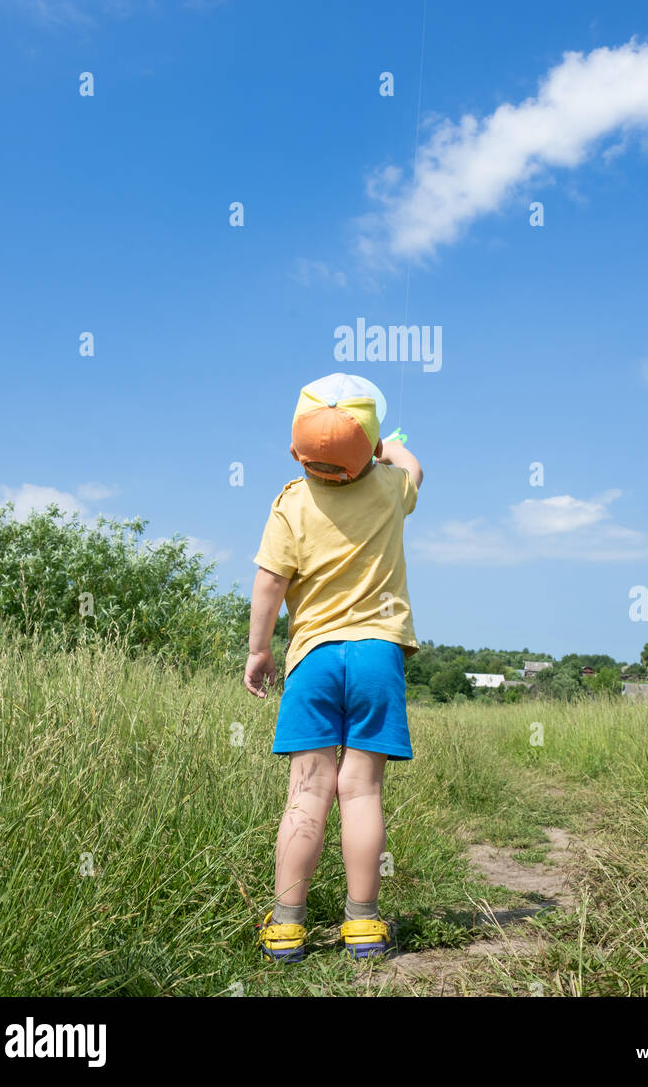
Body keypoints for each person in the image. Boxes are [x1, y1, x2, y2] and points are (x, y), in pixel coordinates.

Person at [245, 374, 423, 962]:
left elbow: (271, 581)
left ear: (296, 449)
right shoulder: (392, 485)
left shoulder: (289, 502)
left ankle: (288, 926)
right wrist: (391, 443)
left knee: (308, 790)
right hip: (377, 654)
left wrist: (260, 650)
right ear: (370, 447)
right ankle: (364, 926)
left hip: (313, 657)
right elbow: (415, 468)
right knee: (362, 790)